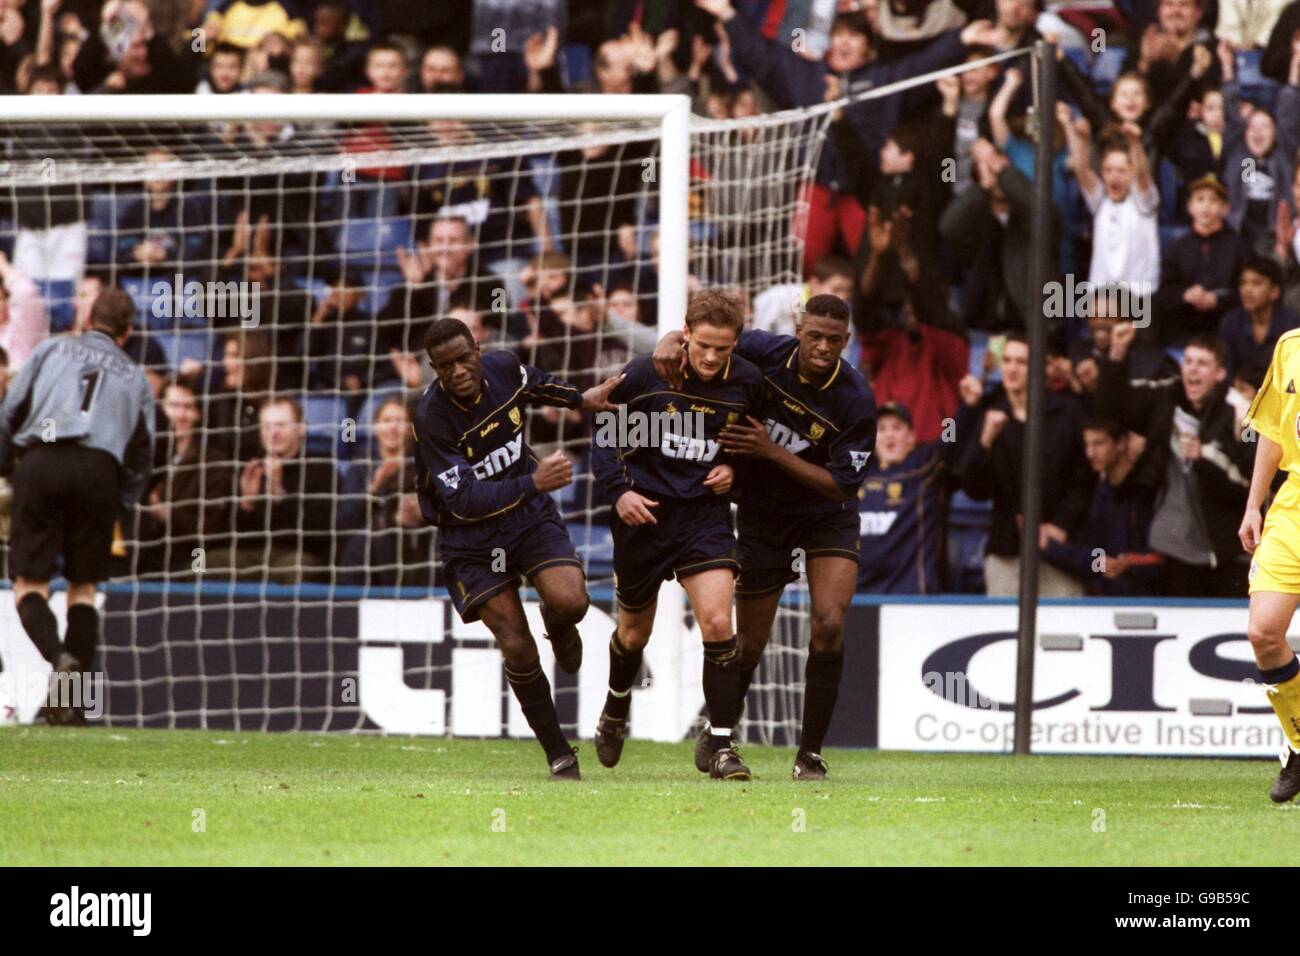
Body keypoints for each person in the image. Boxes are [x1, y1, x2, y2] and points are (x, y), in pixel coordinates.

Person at [414, 317, 622, 780]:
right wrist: (533, 481)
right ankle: (558, 753)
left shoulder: (504, 368)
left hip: (525, 520)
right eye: (446, 366)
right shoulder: (431, 419)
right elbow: (463, 500)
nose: (459, 371)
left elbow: (536, 383)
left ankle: (559, 622)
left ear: (478, 349)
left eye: (465, 358)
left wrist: (580, 399)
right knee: (517, 645)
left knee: (571, 600)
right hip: (469, 539)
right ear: (434, 368)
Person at [592, 288, 766, 780]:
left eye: (723, 349)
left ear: (735, 344)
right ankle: (615, 706)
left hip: (703, 518)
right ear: (684, 335)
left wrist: (736, 471)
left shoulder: (749, 383)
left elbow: (758, 447)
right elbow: (604, 432)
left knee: (716, 622)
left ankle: (721, 745)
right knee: (633, 633)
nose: (712, 357)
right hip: (643, 514)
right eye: (703, 345)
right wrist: (619, 493)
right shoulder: (648, 372)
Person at [0, 285, 153, 724]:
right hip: (99, 471)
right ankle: (72, 709)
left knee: (29, 585)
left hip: (43, 459)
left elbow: (11, 409)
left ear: (88, 318)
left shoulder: (52, 349)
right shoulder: (136, 377)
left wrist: (10, 464)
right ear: (127, 333)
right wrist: (122, 502)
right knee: (84, 591)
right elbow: (144, 454)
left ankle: (59, 657)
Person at [1099, 323, 1252, 595]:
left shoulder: (1241, 413)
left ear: (1220, 373)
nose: (1192, 369)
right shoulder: (1167, 397)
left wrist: (1203, 457)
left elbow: (1250, 486)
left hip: (1228, 550)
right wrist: (1117, 354)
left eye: (1202, 363)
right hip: (1176, 546)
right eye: (1188, 361)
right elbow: (1116, 406)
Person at [1237, 326, 1300, 802]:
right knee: (1263, 632)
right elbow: (1273, 430)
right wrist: (1254, 504)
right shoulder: (1289, 346)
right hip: (1293, 507)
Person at [1040, 418, 1166, 596]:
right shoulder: (1099, 494)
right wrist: (1050, 548)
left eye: (1099, 443)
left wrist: (1128, 563)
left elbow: (1165, 559)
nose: (1090, 453)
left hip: (1154, 603)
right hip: (1107, 602)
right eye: (1087, 445)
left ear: (1122, 443)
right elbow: (1095, 553)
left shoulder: (1148, 492)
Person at [857, 401, 947, 594]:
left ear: (911, 438)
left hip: (910, 595)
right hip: (859, 595)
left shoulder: (923, 467)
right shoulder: (856, 476)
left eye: (897, 428)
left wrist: (967, 408)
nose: (889, 434)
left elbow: (953, 441)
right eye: (881, 428)